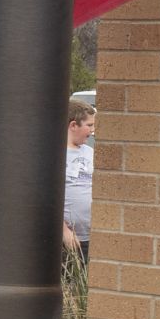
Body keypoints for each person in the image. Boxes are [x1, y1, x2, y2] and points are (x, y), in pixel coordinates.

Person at [64, 100, 96, 259]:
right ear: (73, 126)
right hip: (67, 239)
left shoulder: (90, 152)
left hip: (91, 238)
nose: (92, 130)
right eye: (89, 125)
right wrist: (64, 231)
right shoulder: (54, 154)